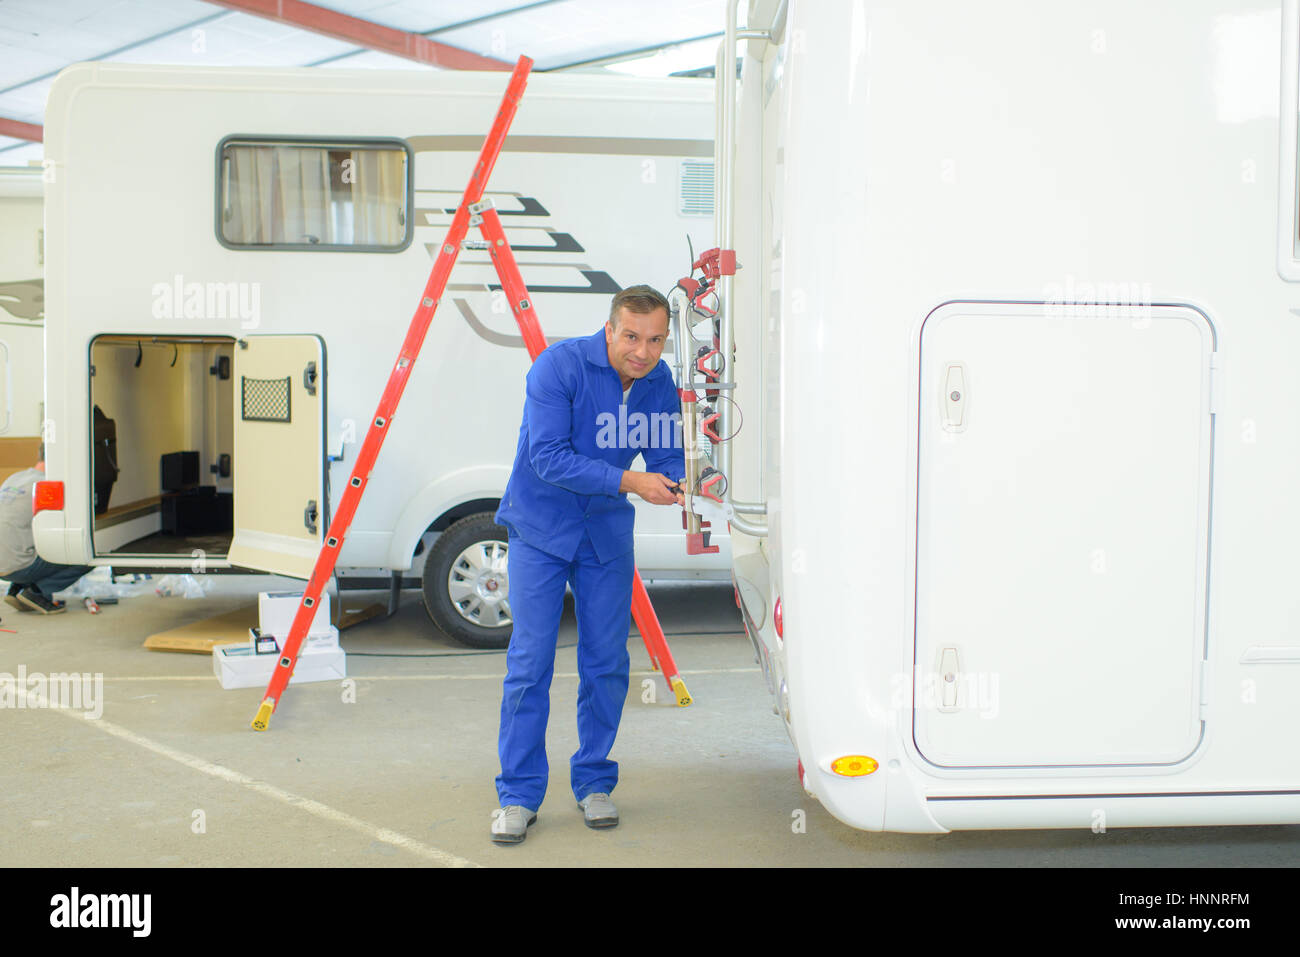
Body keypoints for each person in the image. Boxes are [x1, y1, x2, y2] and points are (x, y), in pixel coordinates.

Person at [490, 284, 686, 844]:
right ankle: (518, 795)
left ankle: (594, 781)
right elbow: (546, 457)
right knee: (530, 664)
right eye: (631, 336)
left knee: (606, 661)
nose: (643, 352)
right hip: (541, 530)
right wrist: (632, 481)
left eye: (655, 340)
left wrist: (683, 481)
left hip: (604, 536)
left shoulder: (658, 382)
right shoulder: (559, 367)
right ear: (610, 329)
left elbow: (666, 451)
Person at [0, 444, 91, 614]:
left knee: (27, 541)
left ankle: (16, 590)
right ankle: (37, 592)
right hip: (20, 566)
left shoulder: (15, 478)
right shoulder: (49, 485)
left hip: (5, 564)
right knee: (88, 554)